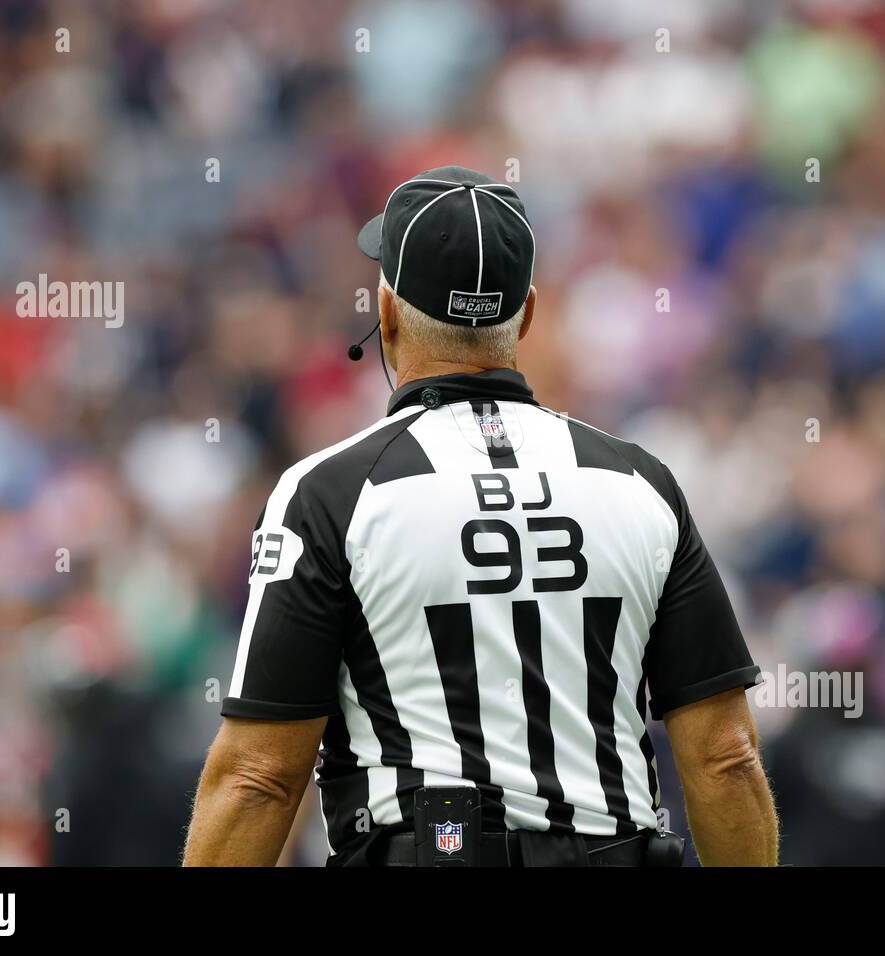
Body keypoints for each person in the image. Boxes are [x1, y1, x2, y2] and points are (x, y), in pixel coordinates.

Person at [182, 166, 777, 866]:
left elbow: (259, 777)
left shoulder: (329, 494)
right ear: (524, 316)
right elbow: (726, 758)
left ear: (388, 311)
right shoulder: (639, 482)